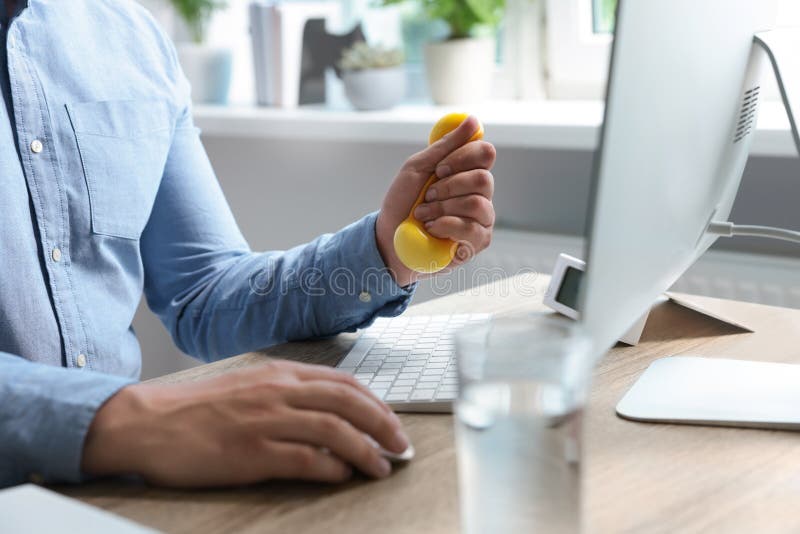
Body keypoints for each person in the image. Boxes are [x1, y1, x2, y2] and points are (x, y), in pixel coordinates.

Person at [0, 0, 496, 488]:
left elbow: (204, 293)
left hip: (117, 493)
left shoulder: (135, 41)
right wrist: (123, 418)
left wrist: (384, 252)